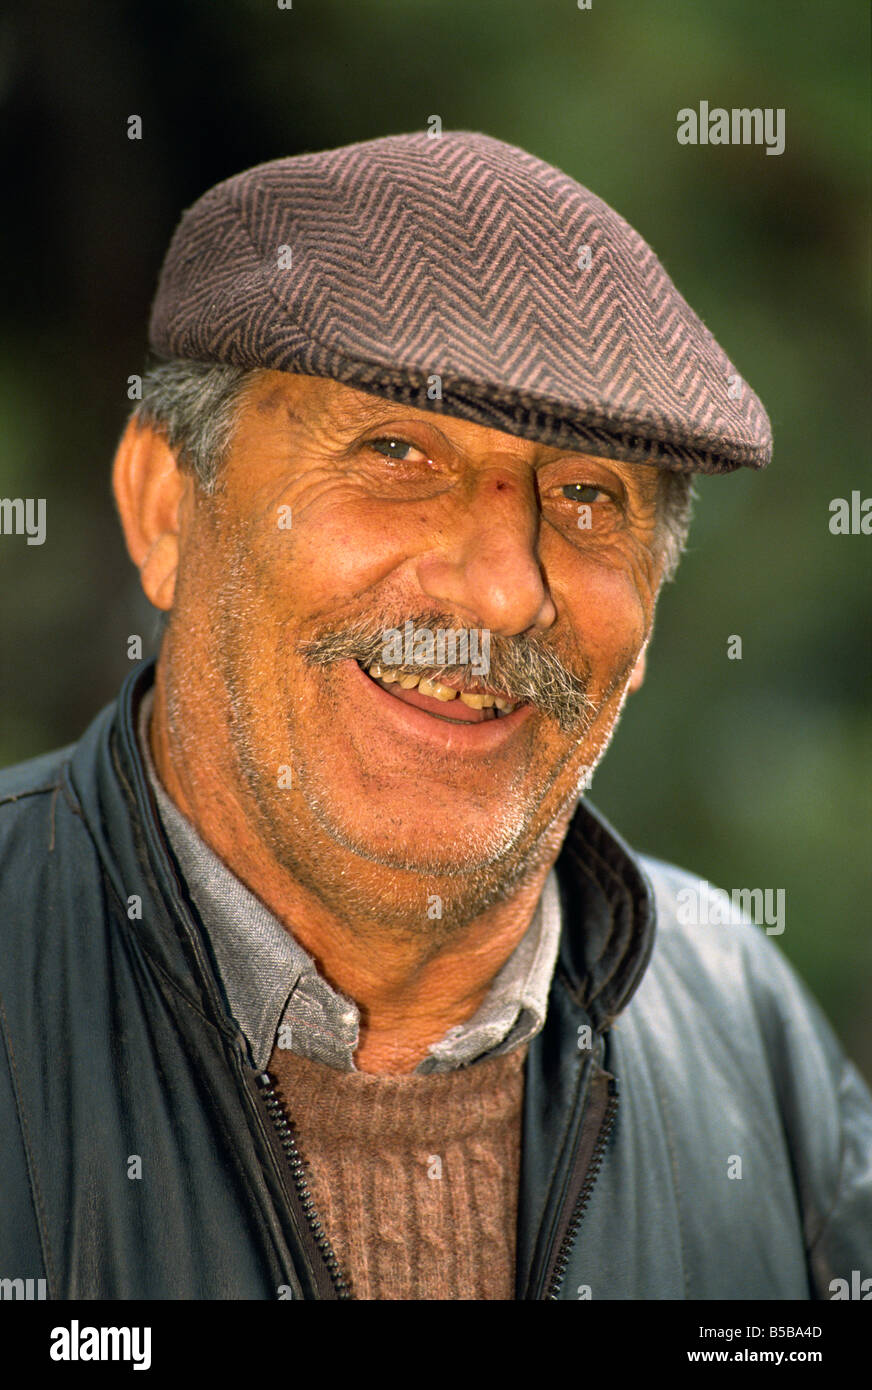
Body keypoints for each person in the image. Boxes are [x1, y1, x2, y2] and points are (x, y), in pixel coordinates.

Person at [0, 131, 869, 1301]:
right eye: (396, 450)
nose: (504, 588)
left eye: (582, 496)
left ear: (652, 613)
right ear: (165, 507)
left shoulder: (741, 1029)